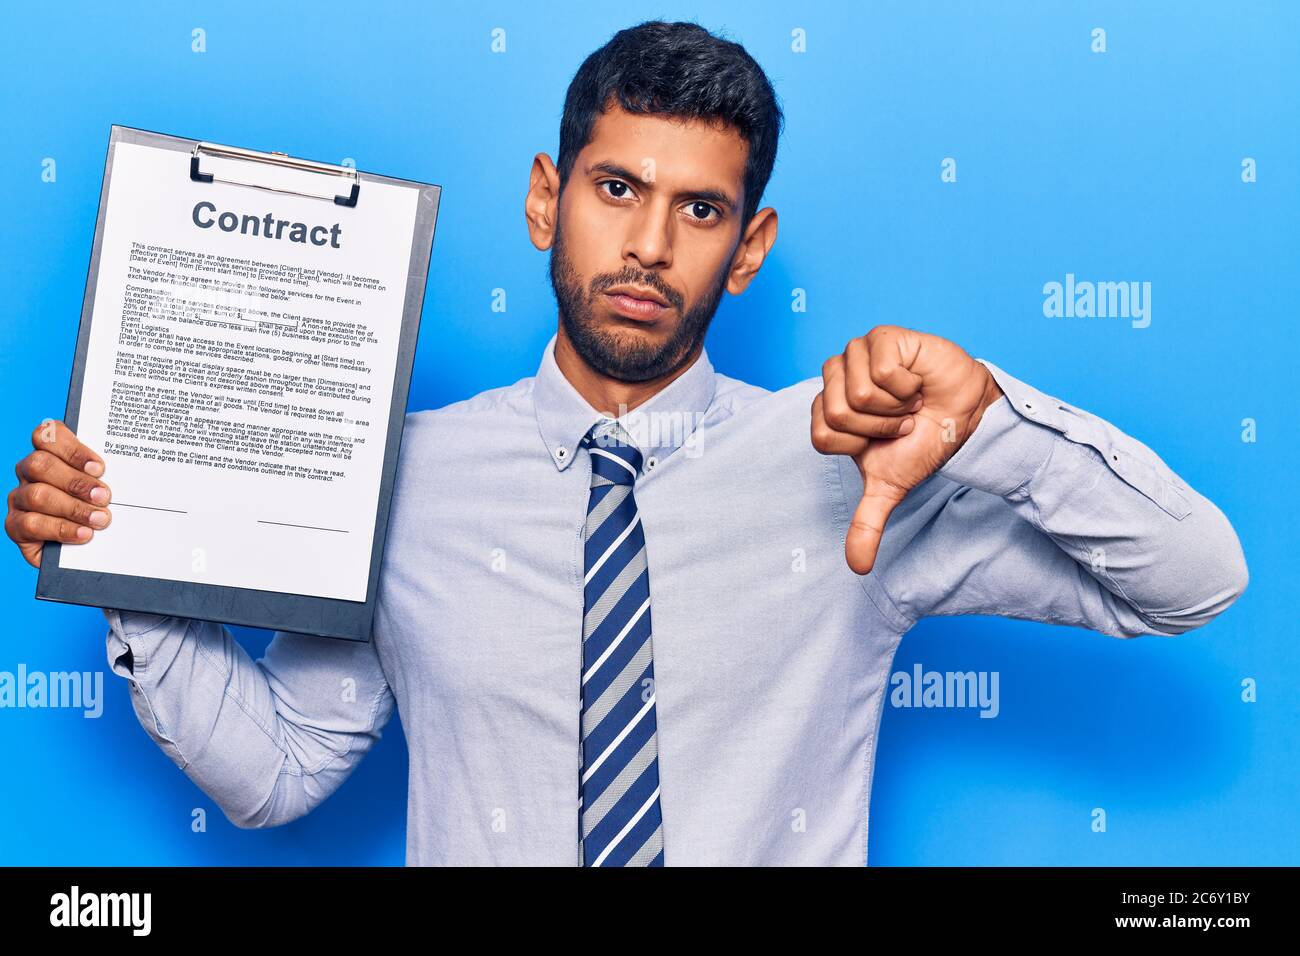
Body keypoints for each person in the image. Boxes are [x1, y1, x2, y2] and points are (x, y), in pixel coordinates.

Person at [5, 20, 1247, 866]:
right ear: (549, 197)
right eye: (616, 190)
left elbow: (1196, 580)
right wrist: (129, 562)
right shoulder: (400, 481)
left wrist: (993, 424)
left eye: (698, 208)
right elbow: (272, 774)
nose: (650, 245)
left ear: (747, 248)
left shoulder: (859, 467)